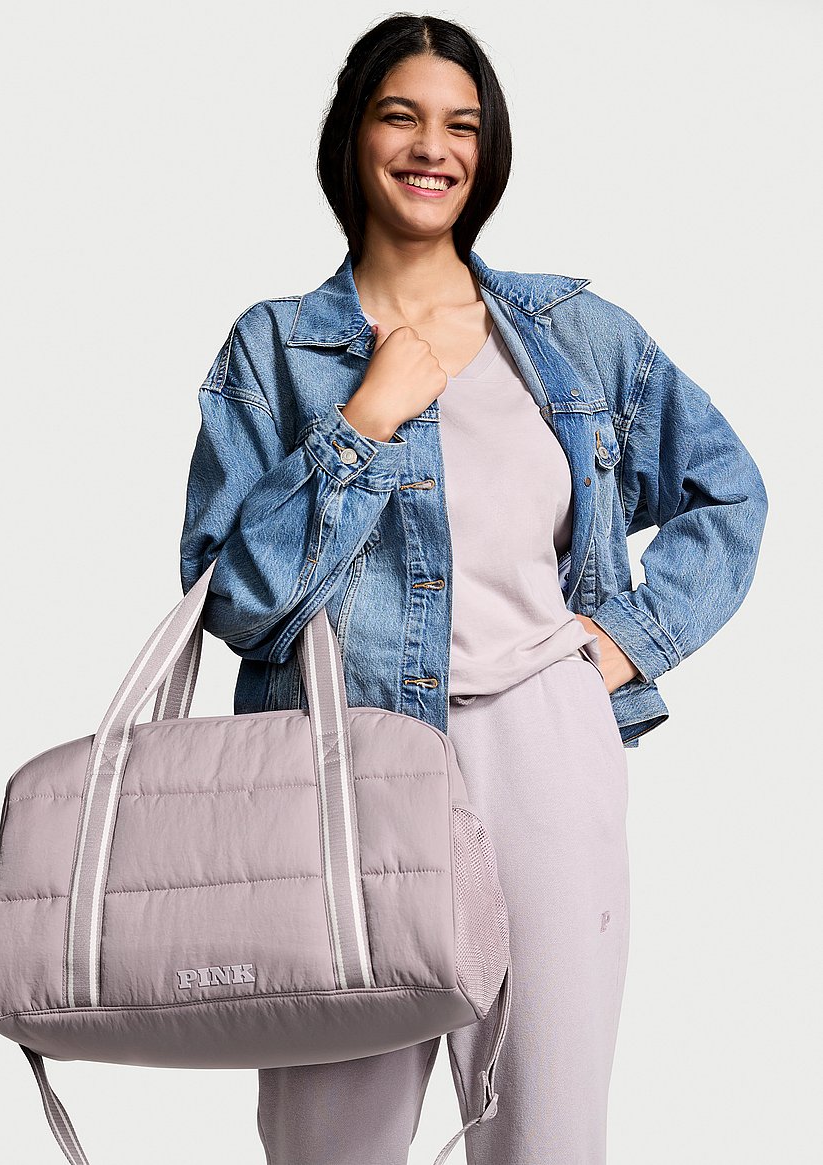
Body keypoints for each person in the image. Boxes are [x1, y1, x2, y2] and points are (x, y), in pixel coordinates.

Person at [179, 14, 768, 1165]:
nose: (431, 147)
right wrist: (361, 424)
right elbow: (234, 602)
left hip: (542, 752)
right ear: (353, 137)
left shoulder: (572, 335)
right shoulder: (274, 350)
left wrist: (617, 644)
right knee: (329, 1141)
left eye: (461, 124)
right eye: (400, 116)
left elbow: (727, 491)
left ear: (486, 151)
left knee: (544, 1133)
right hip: (340, 766)